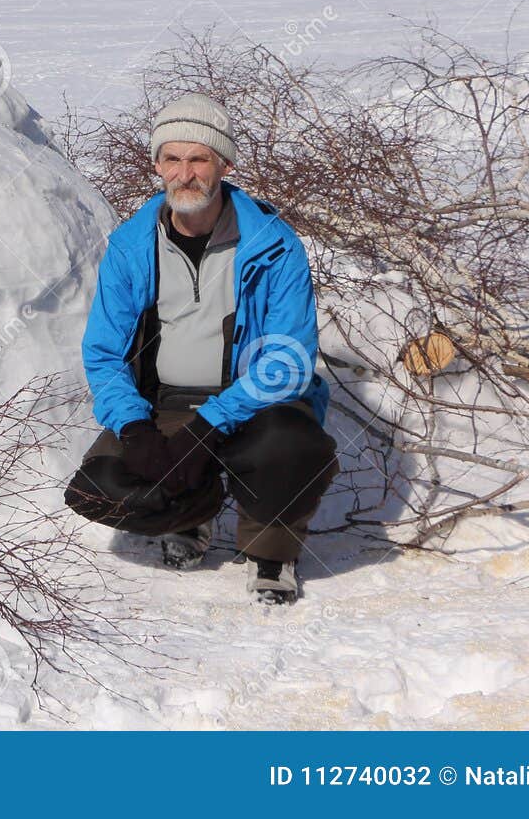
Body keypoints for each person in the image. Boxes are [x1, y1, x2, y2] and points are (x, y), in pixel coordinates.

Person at [64, 93, 338, 604]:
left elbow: (288, 361)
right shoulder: (130, 247)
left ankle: (272, 551)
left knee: (289, 447)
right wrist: (136, 426)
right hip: (166, 402)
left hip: (257, 401)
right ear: (157, 165)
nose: (184, 173)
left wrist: (209, 426)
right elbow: (104, 355)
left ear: (224, 165)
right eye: (172, 158)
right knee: (100, 487)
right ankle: (196, 510)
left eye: (199, 159)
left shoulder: (275, 245)